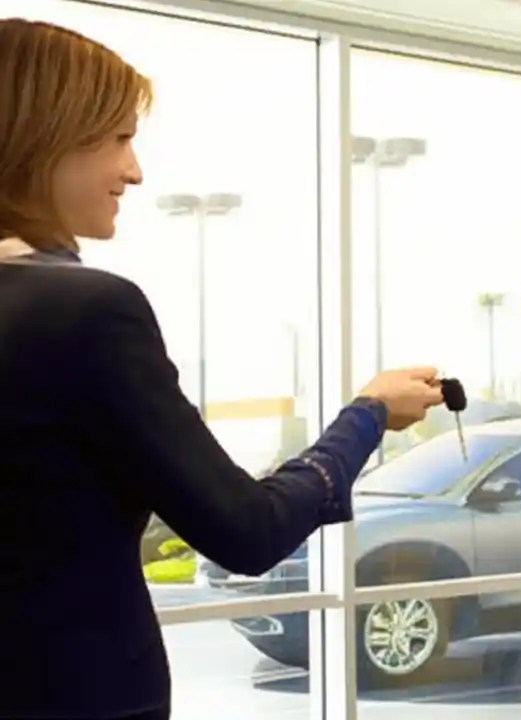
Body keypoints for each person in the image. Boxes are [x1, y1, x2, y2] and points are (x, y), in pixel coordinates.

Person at [0, 19, 445, 720]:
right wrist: (367, 416)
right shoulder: (87, 311)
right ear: (45, 138)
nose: (134, 170)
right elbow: (246, 529)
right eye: (119, 138)